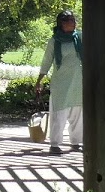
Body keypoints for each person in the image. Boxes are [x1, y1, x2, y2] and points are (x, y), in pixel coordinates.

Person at [35, 11, 83, 155]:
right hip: (61, 82)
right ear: (61, 23)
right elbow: (47, 61)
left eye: (73, 20)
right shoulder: (54, 41)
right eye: (69, 21)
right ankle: (54, 144)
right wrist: (39, 80)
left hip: (78, 81)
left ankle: (76, 142)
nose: (73, 23)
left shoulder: (80, 37)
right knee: (59, 113)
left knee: (78, 112)